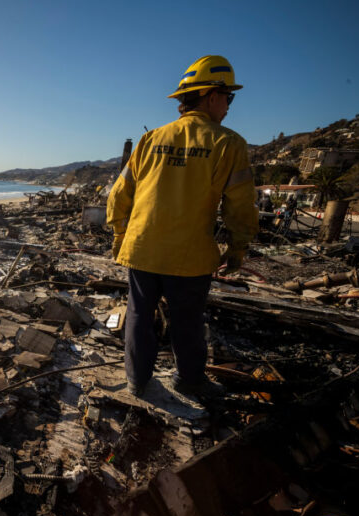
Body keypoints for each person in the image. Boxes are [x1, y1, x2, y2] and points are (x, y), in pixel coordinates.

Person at [106, 55, 259, 398]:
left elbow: (119, 194)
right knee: (187, 321)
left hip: (142, 248)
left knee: (139, 316)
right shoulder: (228, 144)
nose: (229, 106)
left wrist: (119, 235)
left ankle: (137, 380)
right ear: (211, 96)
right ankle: (189, 380)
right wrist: (237, 249)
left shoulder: (150, 140)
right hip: (189, 257)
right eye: (228, 97)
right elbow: (240, 206)